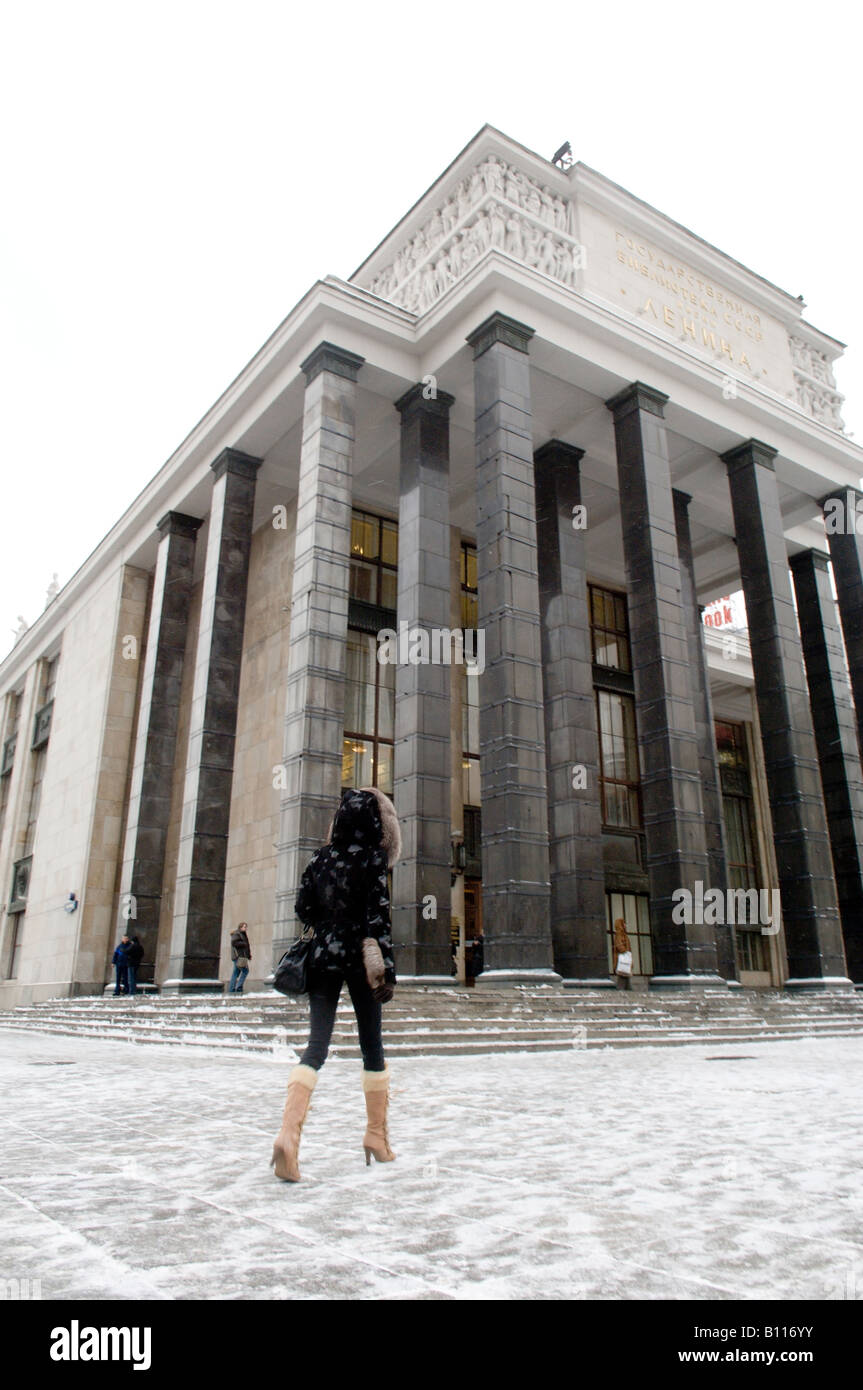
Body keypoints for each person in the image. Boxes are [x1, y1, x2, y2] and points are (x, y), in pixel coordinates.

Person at [270, 786, 400, 1183]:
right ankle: (376, 1136)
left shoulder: (320, 858)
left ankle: (288, 1135)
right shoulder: (374, 860)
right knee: (371, 1045)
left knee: (316, 1046)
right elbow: (378, 919)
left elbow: (303, 907)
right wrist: (387, 969)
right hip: (361, 958)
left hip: (324, 956)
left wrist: (328, 919)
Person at [229, 922, 252, 993]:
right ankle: (238, 987)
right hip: (239, 957)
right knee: (245, 971)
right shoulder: (237, 934)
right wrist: (243, 944)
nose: (245, 928)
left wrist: (248, 955)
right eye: (244, 927)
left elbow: (247, 947)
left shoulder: (242, 934)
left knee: (235, 972)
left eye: (246, 927)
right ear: (240, 927)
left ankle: (232, 989)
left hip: (241, 957)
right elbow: (234, 942)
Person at [612, 916, 632, 991]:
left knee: (625, 976)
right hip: (622, 959)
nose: (625, 925)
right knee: (623, 976)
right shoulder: (619, 934)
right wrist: (626, 951)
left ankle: (628, 991)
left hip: (624, 958)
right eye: (624, 923)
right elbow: (619, 946)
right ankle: (623, 992)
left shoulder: (623, 934)